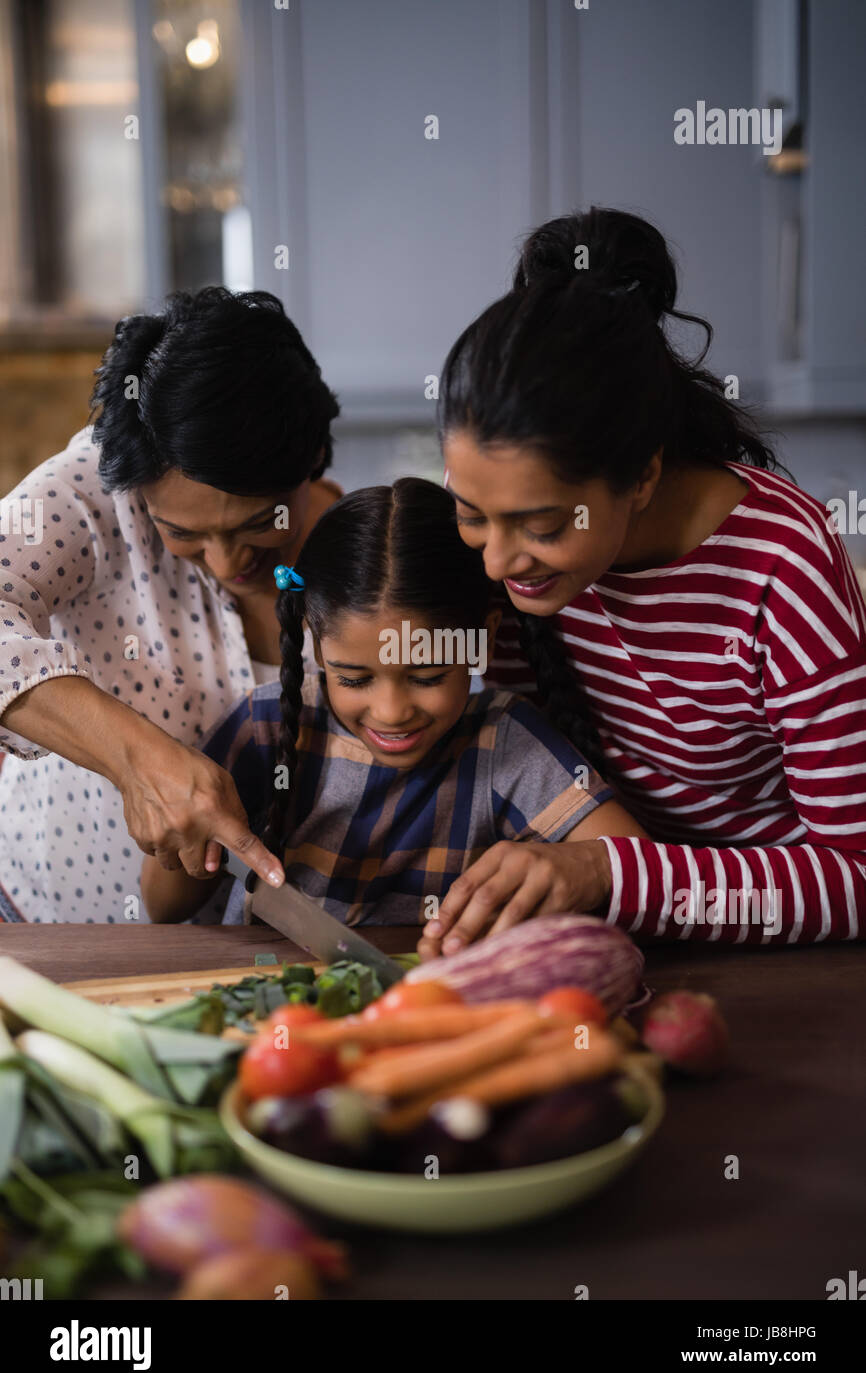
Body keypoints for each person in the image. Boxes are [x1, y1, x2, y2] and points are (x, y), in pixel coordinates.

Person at [426, 206, 866, 950]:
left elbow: (857, 877)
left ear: (642, 475)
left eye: (543, 527)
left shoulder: (782, 563)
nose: (497, 563)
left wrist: (609, 875)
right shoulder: (512, 566)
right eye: (473, 514)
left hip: (782, 962)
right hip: (601, 945)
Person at [140, 478, 646, 930]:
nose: (391, 711)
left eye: (426, 675)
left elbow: (639, 867)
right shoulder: (267, 728)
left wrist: (574, 873)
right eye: (354, 678)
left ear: (481, 641)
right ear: (315, 644)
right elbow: (163, 908)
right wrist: (191, 836)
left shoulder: (505, 744)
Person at [0, 288, 340, 922]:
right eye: (182, 533)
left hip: (248, 959)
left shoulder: (369, 548)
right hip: (42, 918)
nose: (226, 563)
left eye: (260, 523)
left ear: (314, 453)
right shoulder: (95, 488)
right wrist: (136, 757)